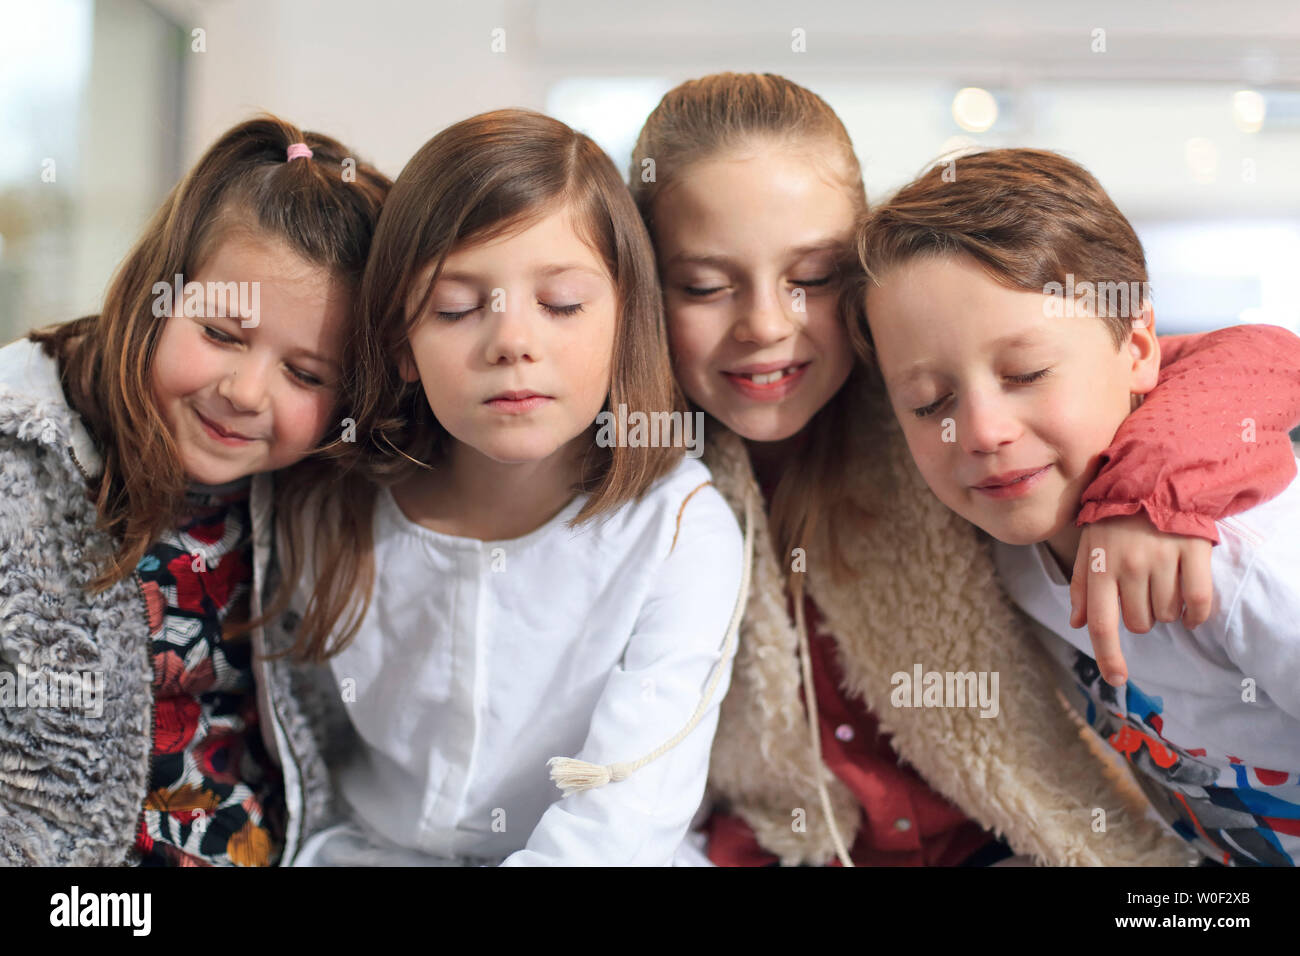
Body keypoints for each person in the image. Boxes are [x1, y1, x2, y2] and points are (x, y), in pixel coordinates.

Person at [629, 72, 1300, 865]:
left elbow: (1247, 357)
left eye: (812, 279)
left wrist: (1144, 491)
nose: (768, 325)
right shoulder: (652, 461)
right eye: (704, 285)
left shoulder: (937, 409)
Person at [286, 109, 747, 866]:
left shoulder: (679, 531)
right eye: (458, 309)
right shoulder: (326, 504)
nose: (512, 342)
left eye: (561, 304)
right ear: (401, 344)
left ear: (626, 319)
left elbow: (621, 827)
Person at [859, 146, 1300, 866]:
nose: (981, 432)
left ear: (1137, 347)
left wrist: (1153, 487)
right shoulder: (993, 548)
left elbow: (1267, 354)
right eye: (928, 401)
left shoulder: (1247, 565)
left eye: (1026, 373)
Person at [0, 116, 390, 866]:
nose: (245, 391)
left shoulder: (317, 489)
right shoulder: (23, 463)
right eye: (220, 334)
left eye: (306, 374)